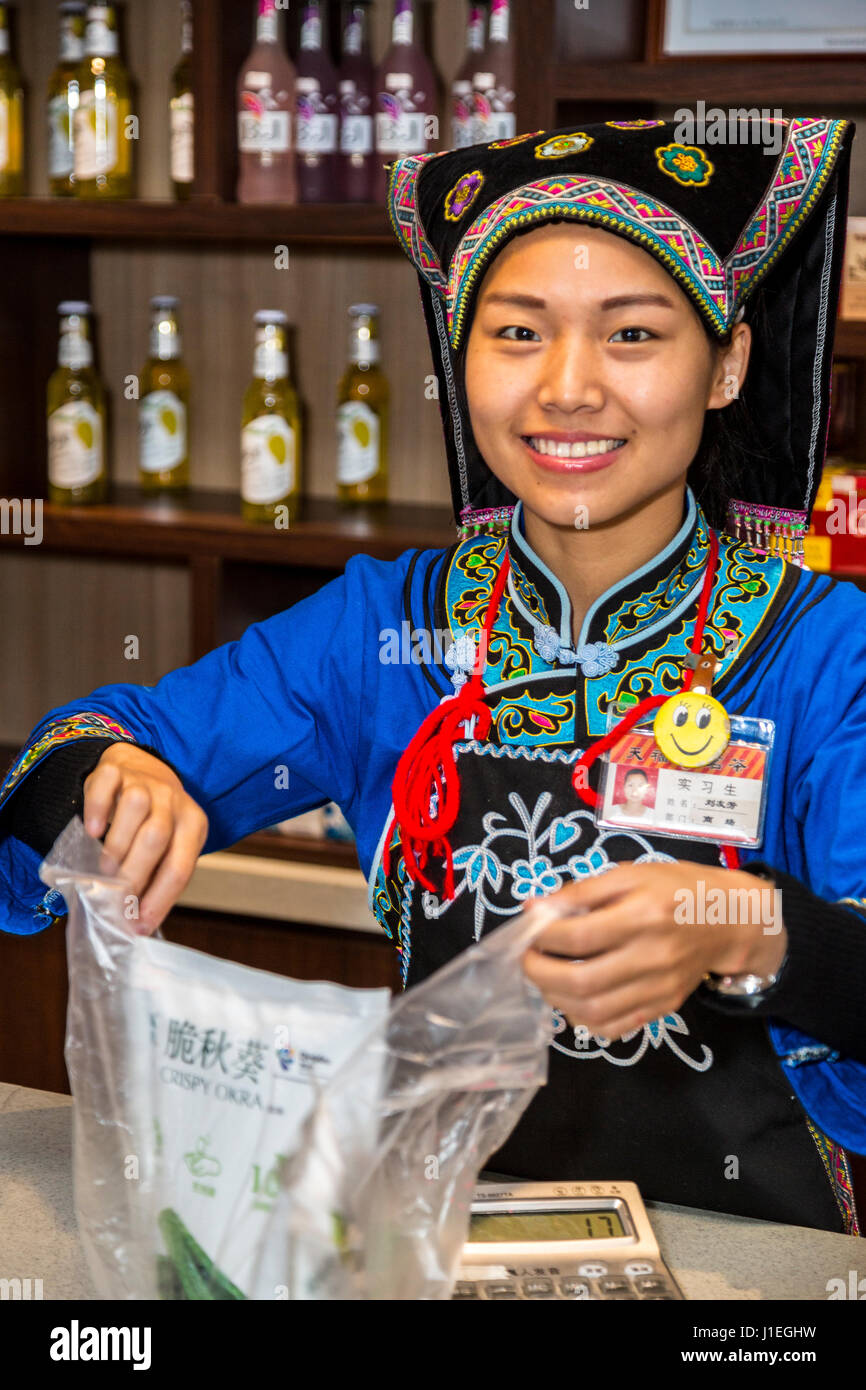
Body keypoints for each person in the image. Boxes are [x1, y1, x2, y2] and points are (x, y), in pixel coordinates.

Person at [1, 116, 864, 1234]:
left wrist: (746, 925)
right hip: (446, 1239)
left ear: (726, 364)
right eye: (516, 332)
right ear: (460, 361)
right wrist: (114, 780)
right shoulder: (384, 628)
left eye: (631, 336)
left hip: (747, 1268)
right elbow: (66, 764)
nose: (566, 388)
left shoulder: (822, 648)